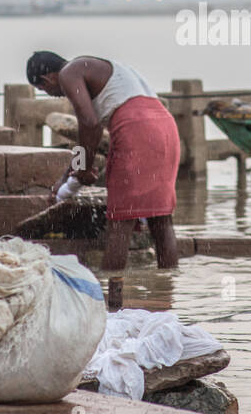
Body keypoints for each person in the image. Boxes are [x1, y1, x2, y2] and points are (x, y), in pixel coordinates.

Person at [26, 51, 180, 270]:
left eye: (44, 90)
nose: (53, 95)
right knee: (161, 219)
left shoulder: (68, 73)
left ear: (47, 78)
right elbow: (87, 136)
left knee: (120, 221)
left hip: (136, 131)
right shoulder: (99, 66)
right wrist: (68, 176)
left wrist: (84, 170)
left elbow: (89, 124)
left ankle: (111, 298)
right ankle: (168, 289)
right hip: (166, 131)